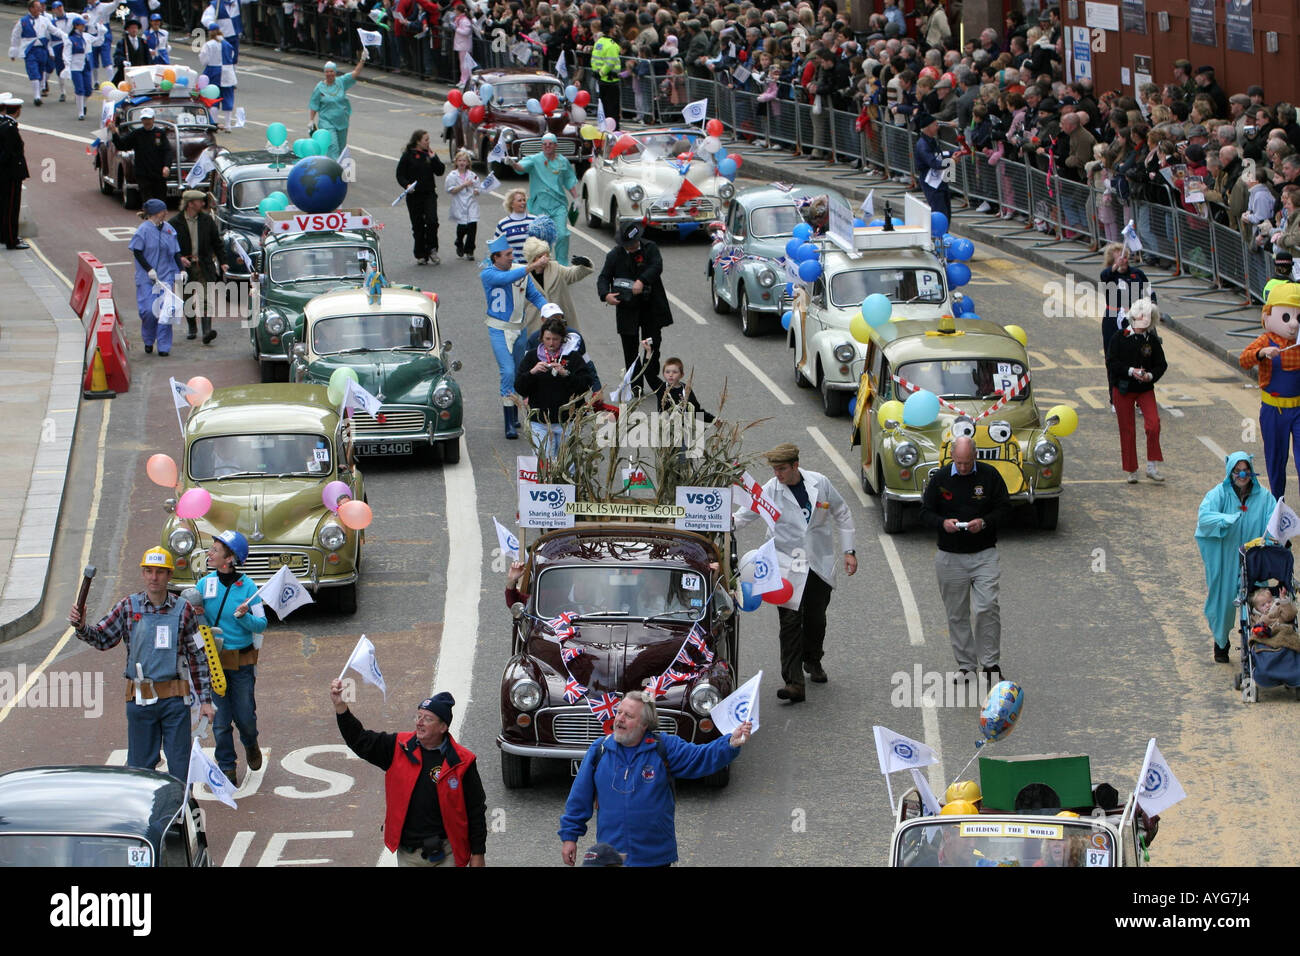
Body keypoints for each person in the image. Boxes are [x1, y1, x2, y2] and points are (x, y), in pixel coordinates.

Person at [68, 548, 215, 780]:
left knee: (180, 769)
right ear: (143, 574)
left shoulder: (183, 609)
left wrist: (206, 701)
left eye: (159, 572)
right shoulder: (128, 607)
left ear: (169, 575)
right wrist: (82, 627)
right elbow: (102, 639)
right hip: (140, 703)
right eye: (148, 571)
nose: (153, 577)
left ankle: (179, 815)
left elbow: (198, 656)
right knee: (140, 772)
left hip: (174, 703)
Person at [558, 690, 750, 867]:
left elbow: (701, 757)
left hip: (655, 858)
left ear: (644, 724)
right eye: (619, 713)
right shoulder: (599, 751)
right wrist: (569, 838)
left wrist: (730, 742)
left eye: (629, 716)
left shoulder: (664, 748)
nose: (619, 720)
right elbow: (579, 798)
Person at [732, 442, 856, 702]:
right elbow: (743, 516)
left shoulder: (819, 483)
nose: (777, 475)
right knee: (789, 623)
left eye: (782, 469)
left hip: (817, 563)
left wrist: (849, 551)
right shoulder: (770, 490)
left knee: (816, 619)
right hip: (786, 565)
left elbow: (842, 512)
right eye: (775, 470)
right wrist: (714, 522)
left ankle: (812, 660)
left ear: (795, 465)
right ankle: (793, 682)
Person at [332, 683, 487, 866]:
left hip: (447, 853)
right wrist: (341, 708)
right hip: (408, 855)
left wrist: (478, 854)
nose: (419, 722)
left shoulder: (462, 761)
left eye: (427, 719)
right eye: (418, 716)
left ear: (443, 726)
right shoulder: (397, 746)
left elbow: (475, 810)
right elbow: (360, 740)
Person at [919, 434, 1012, 683]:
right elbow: (925, 512)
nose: (963, 467)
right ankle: (966, 666)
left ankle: (991, 664)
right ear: (952, 457)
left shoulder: (989, 476)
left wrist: (984, 522)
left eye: (967, 462)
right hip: (950, 556)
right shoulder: (939, 479)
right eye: (959, 463)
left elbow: (1005, 508)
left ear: (975, 456)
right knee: (957, 613)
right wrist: (942, 523)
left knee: (987, 607)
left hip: (984, 554)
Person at [196, 530, 265, 785]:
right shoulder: (204, 585)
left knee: (245, 716)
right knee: (221, 721)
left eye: (215, 550)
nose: (209, 553)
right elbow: (192, 619)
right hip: (214, 664)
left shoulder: (248, 587)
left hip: (242, 664)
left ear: (230, 558)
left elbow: (260, 624)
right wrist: (195, 612)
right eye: (211, 549)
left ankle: (251, 742)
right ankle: (227, 766)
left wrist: (244, 616)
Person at [1196, 452, 1273, 663]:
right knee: (1222, 603)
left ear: (1251, 471)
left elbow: (1274, 520)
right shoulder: (1218, 494)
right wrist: (1225, 519)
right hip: (1226, 560)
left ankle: (1258, 644)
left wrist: (1273, 538)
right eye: (1237, 470)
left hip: (1254, 560)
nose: (1242, 474)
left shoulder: (1264, 497)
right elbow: (1204, 518)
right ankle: (1221, 643)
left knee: (1259, 603)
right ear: (1230, 472)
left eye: (1246, 470)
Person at [482, 233, 548, 439]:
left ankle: (518, 410)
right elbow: (506, 278)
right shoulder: (488, 274)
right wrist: (530, 267)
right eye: (507, 254)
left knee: (522, 371)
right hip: (499, 328)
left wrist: (548, 310)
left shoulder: (520, 270)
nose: (512, 257)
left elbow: (534, 295)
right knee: (508, 372)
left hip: (519, 328)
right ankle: (509, 422)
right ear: (496, 258)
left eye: (512, 253)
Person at [597, 219, 673, 394]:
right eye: (627, 244)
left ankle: (653, 380)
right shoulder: (614, 255)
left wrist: (642, 280)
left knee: (652, 345)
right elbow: (603, 278)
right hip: (627, 309)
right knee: (630, 350)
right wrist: (606, 295)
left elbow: (656, 266)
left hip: (650, 307)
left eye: (632, 243)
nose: (630, 247)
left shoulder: (650, 248)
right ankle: (635, 385)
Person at [1106, 297, 1167, 482]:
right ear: (1134, 316)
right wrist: (1131, 371)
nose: (1145, 319)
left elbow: (1161, 364)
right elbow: (1111, 362)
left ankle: (1152, 466)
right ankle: (1131, 469)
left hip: (1144, 388)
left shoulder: (1152, 340)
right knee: (1127, 429)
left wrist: (1149, 376)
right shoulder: (1119, 337)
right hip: (1123, 389)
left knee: (1153, 424)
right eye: (1143, 315)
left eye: (1149, 316)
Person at [514, 314, 591, 459]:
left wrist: (566, 374)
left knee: (568, 466)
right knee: (543, 464)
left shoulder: (573, 357)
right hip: (540, 421)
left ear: (562, 339)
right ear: (541, 338)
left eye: (555, 339)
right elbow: (519, 387)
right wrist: (532, 372)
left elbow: (586, 385)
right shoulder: (531, 357)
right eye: (547, 339)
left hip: (568, 421)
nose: (551, 343)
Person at [506, 133, 578, 264]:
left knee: (562, 234)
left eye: (550, 144)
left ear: (556, 145)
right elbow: (521, 167)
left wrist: (576, 199)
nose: (547, 146)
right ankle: (543, 264)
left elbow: (569, 180)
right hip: (539, 205)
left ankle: (562, 264)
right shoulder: (535, 159)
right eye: (545, 144)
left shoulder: (563, 161)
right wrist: (513, 163)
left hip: (558, 204)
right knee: (542, 238)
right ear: (542, 146)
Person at [1098, 243, 1155, 397]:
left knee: (1141, 356)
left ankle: (1140, 393)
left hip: (1136, 319)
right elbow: (1104, 276)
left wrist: (1151, 308)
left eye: (1124, 256)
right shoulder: (1109, 276)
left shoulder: (1137, 274)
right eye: (1118, 257)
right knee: (1114, 357)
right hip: (1114, 319)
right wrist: (1114, 268)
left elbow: (1150, 292)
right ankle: (1114, 396)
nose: (1123, 260)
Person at [128, 197, 183, 355]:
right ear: (154, 213)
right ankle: (148, 339)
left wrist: (181, 269)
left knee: (165, 312)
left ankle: (164, 347)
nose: (165, 213)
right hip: (147, 279)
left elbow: (176, 251)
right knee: (149, 312)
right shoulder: (143, 230)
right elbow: (137, 251)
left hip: (166, 277)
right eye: (162, 211)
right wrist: (148, 269)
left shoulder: (169, 229)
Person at [169, 188, 223, 343]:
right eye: (200, 201)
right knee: (187, 299)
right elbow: (169, 247)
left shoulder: (207, 220)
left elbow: (216, 243)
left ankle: (207, 331)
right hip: (184, 267)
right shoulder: (174, 223)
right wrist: (179, 259)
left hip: (204, 265)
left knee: (206, 297)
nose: (203, 203)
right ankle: (192, 327)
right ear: (190, 204)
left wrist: (223, 262)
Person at [519, 235, 593, 335]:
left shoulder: (555, 268)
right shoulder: (523, 275)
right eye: (540, 257)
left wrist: (585, 264)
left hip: (560, 323)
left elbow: (572, 274)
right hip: (535, 325)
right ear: (532, 259)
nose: (544, 259)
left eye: (546, 255)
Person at [395, 129, 446, 265]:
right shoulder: (408, 155)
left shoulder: (429, 155)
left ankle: (432, 249)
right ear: (418, 141)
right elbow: (400, 174)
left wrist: (434, 158)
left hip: (429, 194)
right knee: (418, 225)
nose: (428, 142)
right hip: (414, 196)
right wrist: (407, 185)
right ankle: (420, 253)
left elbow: (440, 171)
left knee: (432, 221)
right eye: (426, 140)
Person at [108, 107, 173, 205]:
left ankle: (159, 219)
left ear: (153, 119)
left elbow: (167, 151)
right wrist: (114, 133)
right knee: (147, 202)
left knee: (160, 201)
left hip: (158, 174)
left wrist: (167, 166)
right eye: (144, 119)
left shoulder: (160, 134)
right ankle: (148, 218)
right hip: (143, 174)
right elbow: (122, 145)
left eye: (149, 119)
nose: (146, 122)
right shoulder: (136, 134)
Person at [308, 56, 364, 160]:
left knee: (342, 149)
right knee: (333, 147)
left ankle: (341, 171)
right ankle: (335, 171)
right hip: (326, 122)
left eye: (331, 71)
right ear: (324, 73)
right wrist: (311, 120)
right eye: (327, 72)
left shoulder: (341, 82)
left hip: (342, 121)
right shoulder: (319, 87)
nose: (329, 74)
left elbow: (355, 73)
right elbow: (314, 104)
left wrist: (362, 60)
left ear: (335, 72)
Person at [9, 0, 63, 106]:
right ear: (31, 8)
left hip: (42, 49)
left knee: (41, 71)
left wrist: (65, 37)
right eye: (37, 7)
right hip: (29, 50)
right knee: (33, 72)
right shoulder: (23, 21)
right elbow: (15, 36)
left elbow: (54, 30)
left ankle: (41, 88)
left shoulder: (45, 20)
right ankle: (37, 96)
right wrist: (13, 51)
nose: (40, 9)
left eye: (40, 7)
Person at [0, 94, 29, 250]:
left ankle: (7, 235)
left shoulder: (5, 125)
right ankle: (11, 240)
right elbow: (9, 153)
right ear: (17, 111)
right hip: (10, 174)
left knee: (6, 206)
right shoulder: (9, 128)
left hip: (8, 173)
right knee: (11, 207)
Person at [445, 146, 481, 261]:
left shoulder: (472, 175)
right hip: (459, 204)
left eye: (464, 161)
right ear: (456, 162)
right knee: (462, 228)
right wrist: (463, 185)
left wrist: (476, 191)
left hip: (471, 204)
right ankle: (459, 241)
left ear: (467, 162)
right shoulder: (452, 176)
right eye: (459, 160)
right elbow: (450, 190)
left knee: (472, 227)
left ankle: (470, 250)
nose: (462, 163)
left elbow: (478, 187)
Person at [197, 23, 236, 131]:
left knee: (213, 98)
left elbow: (204, 59)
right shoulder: (227, 44)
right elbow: (232, 56)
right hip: (228, 73)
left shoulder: (209, 44)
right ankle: (228, 125)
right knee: (228, 97)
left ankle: (214, 123)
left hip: (213, 71)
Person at [914, 111, 952, 221]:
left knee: (947, 213)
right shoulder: (922, 144)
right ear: (928, 127)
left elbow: (940, 154)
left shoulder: (931, 141)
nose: (937, 128)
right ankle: (940, 236)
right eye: (935, 125)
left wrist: (954, 152)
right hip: (931, 182)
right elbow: (934, 163)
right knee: (940, 213)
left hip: (940, 180)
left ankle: (944, 235)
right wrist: (951, 161)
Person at [590, 18, 622, 124]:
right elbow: (610, 63)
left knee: (604, 108)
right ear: (611, 29)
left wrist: (597, 73)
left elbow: (594, 59)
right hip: (611, 81)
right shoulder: (612, 45)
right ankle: (613, 131)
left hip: (601, 81)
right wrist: (602, 73)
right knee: (612, 110)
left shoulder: (599, 42)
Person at [493, 188, 535, 264]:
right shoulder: (503, 224)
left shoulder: (534, 220)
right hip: (512, 267)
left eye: (524, 200)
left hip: (533, 266)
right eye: (519, 200)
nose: (523, 203)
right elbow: (497, 247)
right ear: (511, 204)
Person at [65, 16, 92, 120]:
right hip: (75, 66)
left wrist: (101, 31)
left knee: (88, 89)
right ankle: (80, 112)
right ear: (76, 26)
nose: (84, 26)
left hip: (85, 64)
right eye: (82, 25)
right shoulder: (70, 39)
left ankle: (84, 104)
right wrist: (67, 66)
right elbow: (67, 54)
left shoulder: (84, 36)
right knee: (80, 89)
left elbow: (97, 41)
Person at [111, 16, 148, 85]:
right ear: (128, 29)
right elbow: (117, 55)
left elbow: (147, 57)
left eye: (136, 28)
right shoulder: (122, 42)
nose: (134, 30)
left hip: (140, 71)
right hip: (127, 73)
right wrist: (123, 61)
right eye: (132, 28)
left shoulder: (142, 42)